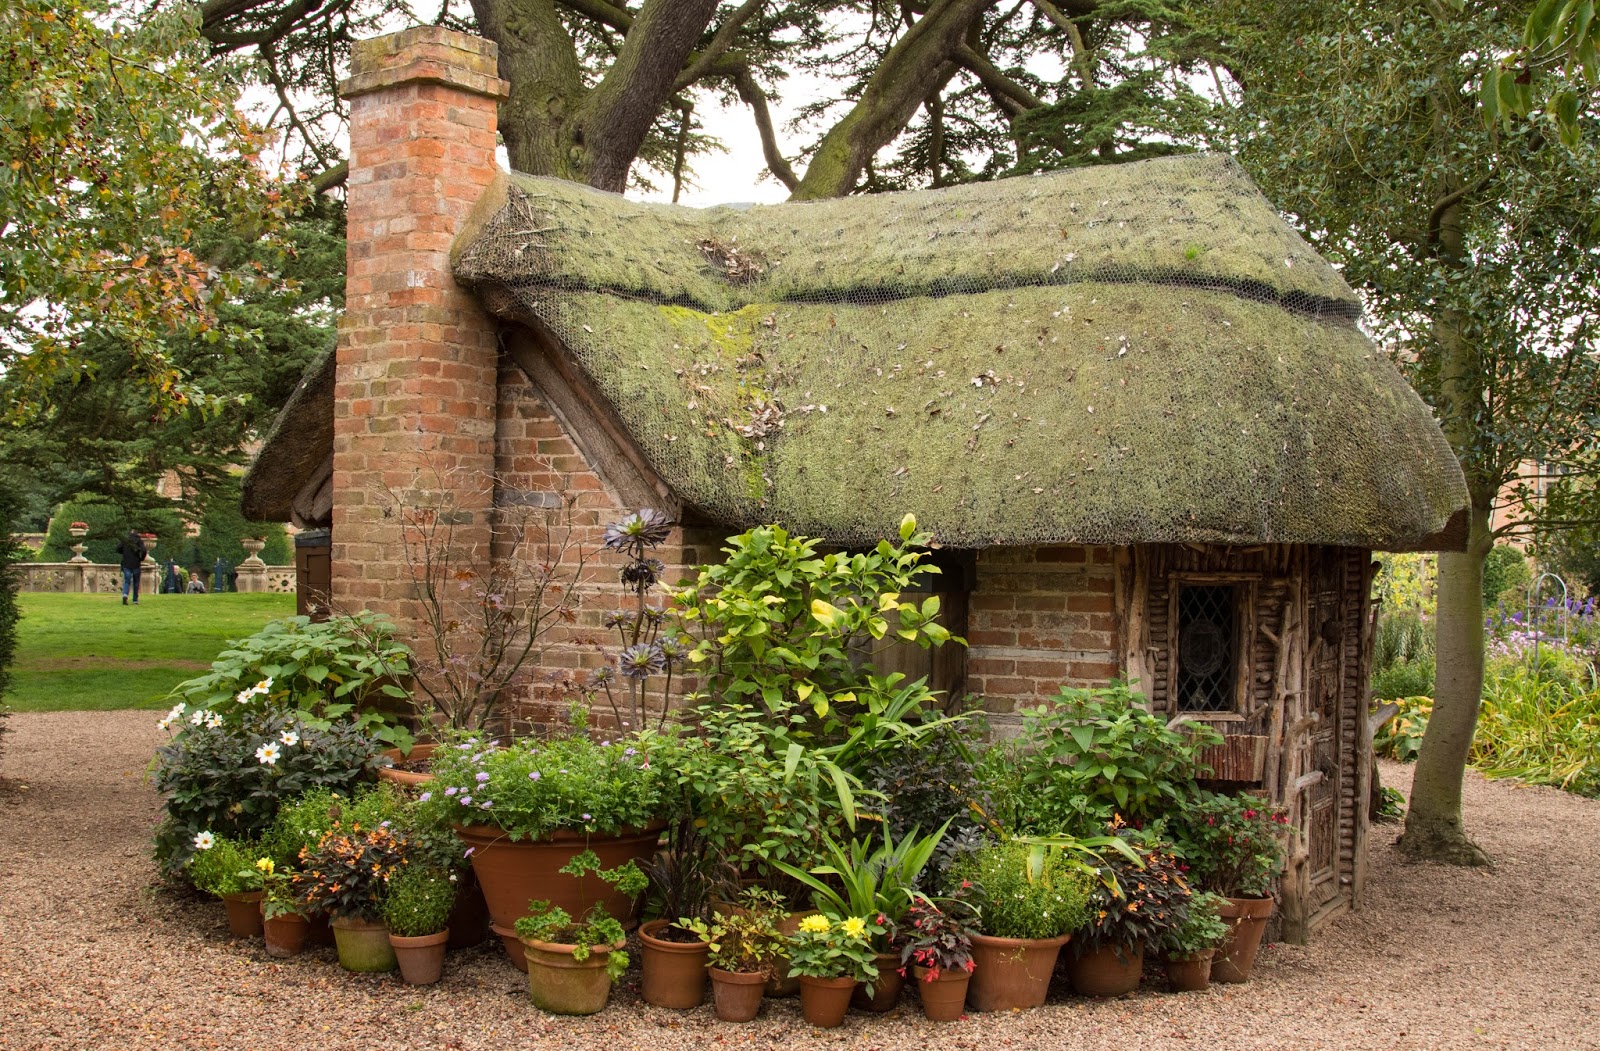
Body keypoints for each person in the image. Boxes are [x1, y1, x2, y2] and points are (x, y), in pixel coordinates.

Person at [115, 530, 147, 605]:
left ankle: (125, 594)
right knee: (136, 582)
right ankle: (135, 600)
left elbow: (118, 548)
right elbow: (144, 550)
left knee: (127, 581)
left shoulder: (125, 540)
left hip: (126, 563)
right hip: (136, 564)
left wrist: (124, 552)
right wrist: (141, 558)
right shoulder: (139, 541)